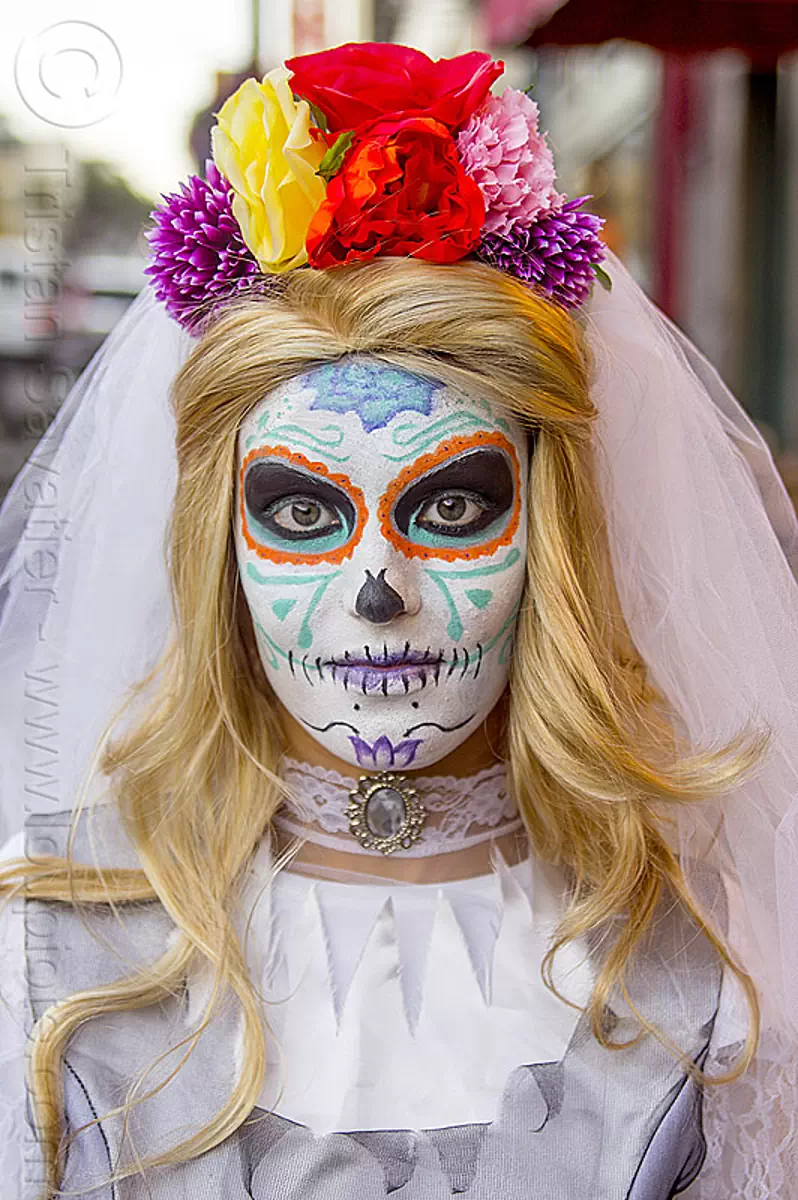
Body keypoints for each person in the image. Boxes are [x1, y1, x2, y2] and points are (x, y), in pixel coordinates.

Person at [1, 41, 797, 1200]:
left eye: (454, 503)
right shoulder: (46, 937)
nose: (381, 588)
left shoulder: (706, 957)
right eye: (303, 512)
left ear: (550, 542)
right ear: (219, 546)